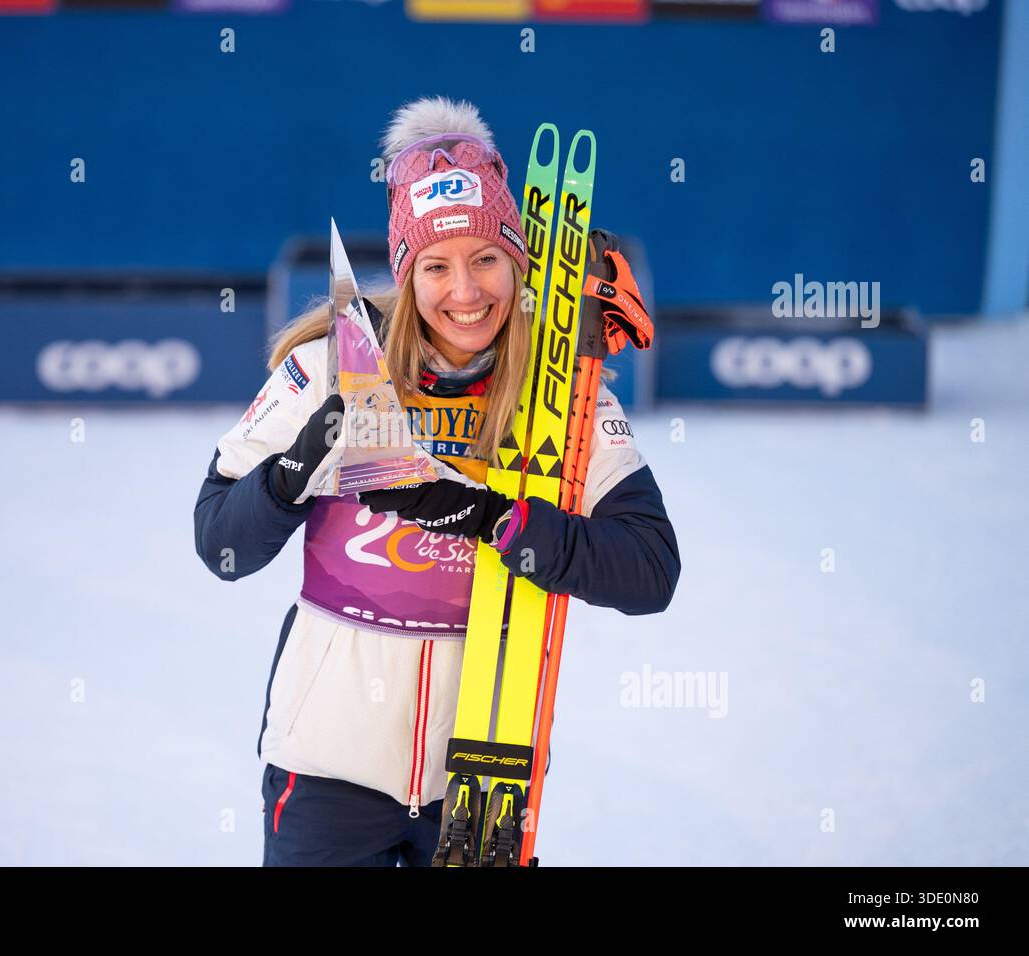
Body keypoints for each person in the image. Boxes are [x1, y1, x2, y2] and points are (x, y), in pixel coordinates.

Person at [194, 96, 680, 867]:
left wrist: (493, 520)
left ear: (516, 260)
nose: (466, 291)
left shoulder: (559, 391)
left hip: (483, 780)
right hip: (324, 770)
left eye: (486, 258)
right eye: (437, 265)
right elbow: (219, 542)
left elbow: (651, 570)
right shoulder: (333, 364)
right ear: (404, 269)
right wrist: (289, 481)